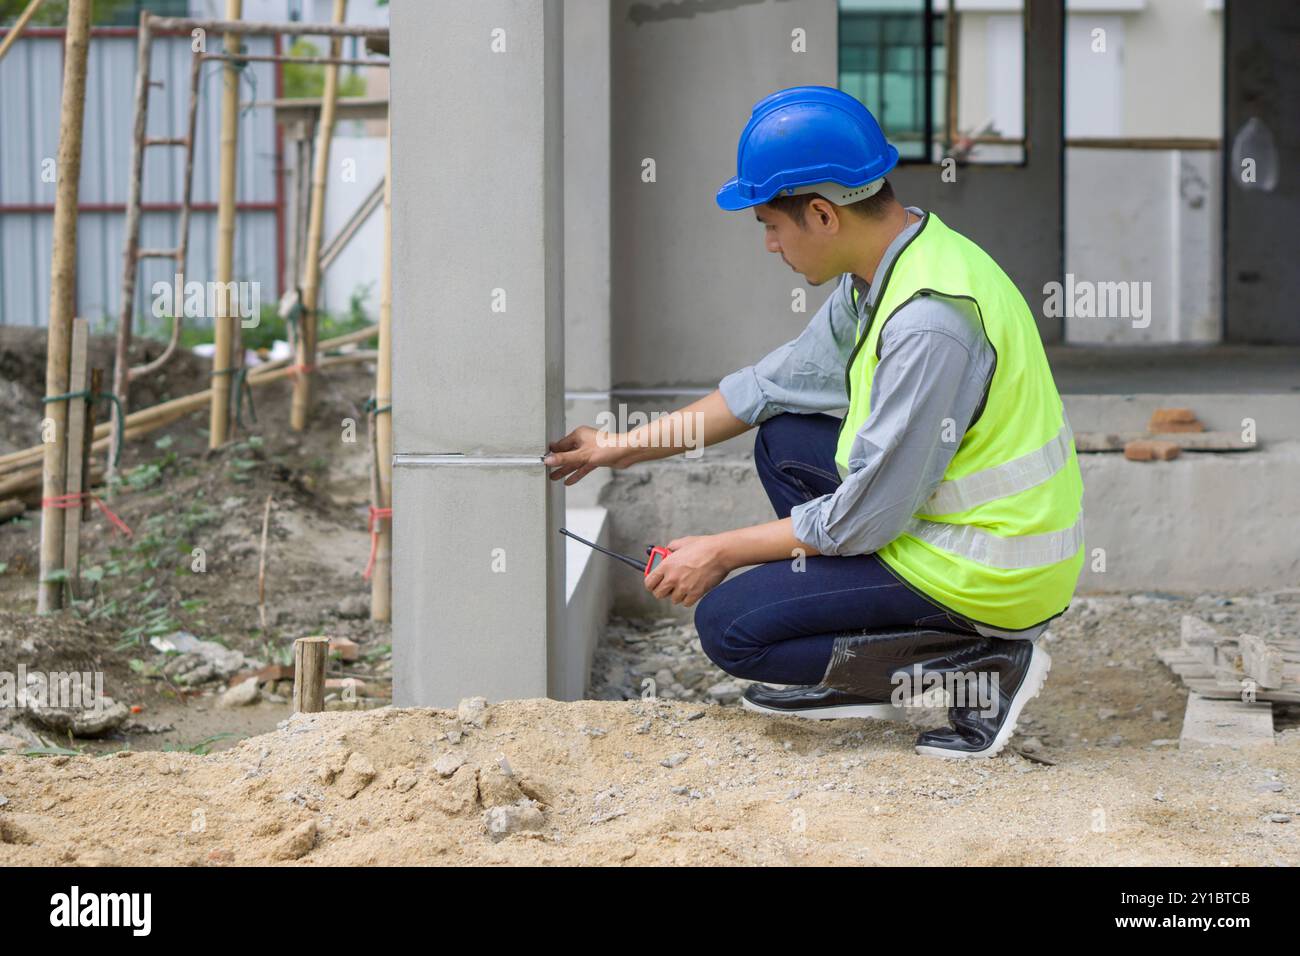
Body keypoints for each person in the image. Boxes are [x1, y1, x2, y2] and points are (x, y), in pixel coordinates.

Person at [544, 86, 1084, 759]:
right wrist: (618, 448)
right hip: (941, 528)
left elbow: (863, 520)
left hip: (990, 568)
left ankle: (983, 664)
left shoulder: (930, 322)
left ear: (823, 214)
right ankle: (859, 668)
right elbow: (765, 391)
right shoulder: (885, 270)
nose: (771, 245)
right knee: (786, 439)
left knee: (733, 628)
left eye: (772, 225)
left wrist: (719, 551)